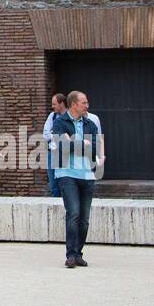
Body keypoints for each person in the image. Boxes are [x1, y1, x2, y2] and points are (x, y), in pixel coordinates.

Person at [52, 91, 101, 268]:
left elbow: (95, 146)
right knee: (73, 213)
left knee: (84, 218)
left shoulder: (90, 124)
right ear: (74, 104)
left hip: (87, 174)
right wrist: (82, 144)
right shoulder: (60, 122)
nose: (87, 105)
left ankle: (78, 253)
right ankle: (71, 255)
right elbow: (62, 146)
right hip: (67, 173)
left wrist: (75, 143)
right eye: (84, 102)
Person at [43, 94, 66, 197]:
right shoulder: (52, 116)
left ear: (61, 104)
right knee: (53, 184)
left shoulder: (70, 116)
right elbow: (46, 135)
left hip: (66, 154)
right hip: (52, 154)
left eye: (54, 104)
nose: (52, 106)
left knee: (66, 183)